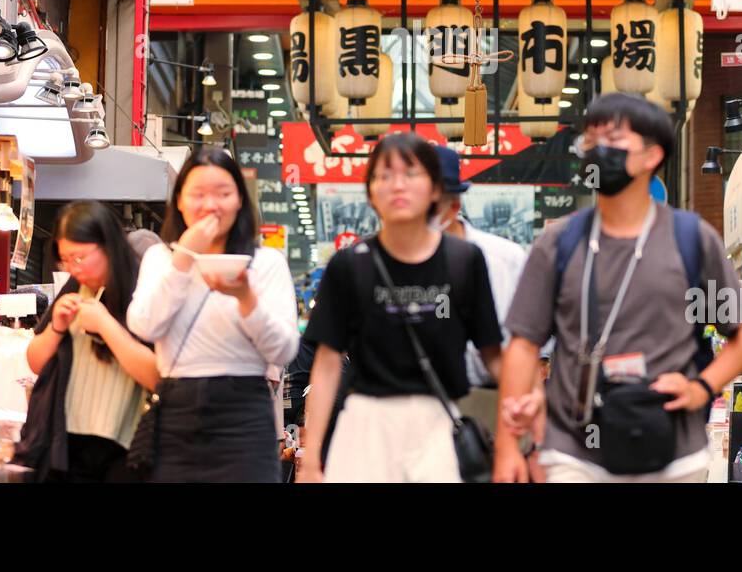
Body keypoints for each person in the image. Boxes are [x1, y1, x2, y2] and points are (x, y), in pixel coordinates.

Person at [495, 93, 742, 483]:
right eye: (590, 140)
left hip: (673, 453)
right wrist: (507, 449)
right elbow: (523, 345)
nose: (597, 150)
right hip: (573, 452)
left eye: (613, 139)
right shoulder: (559, 243)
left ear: (652, 155)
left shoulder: (689, 240)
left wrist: (702, 388)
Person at [300, 132, 504, 483]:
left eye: (411, 174)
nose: (398, 185)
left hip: (436, 423)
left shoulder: (463, 261)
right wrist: (312, 458)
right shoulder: (349, 266)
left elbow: (494, 355)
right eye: (384, 175)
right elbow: (327, 365)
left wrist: (516, 439)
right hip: (365, 424)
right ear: (370, 192)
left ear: (435, 189)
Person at [127, 147, 299, 482]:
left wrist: (246, 298)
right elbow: (144, 325)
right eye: (198, 194)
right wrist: (184, 258)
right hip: (176, 411)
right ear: (179, 200)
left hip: (245, 413)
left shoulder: (266, 263)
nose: (210, 205)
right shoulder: (161, 259)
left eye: (223, 193)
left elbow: (284, 351)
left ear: (239, 200)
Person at [17, 202, 159, 482]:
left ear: (108, 245)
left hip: (126, 447)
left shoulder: (145, 287)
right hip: (66, 441)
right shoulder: (75, 285)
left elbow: (159, 376)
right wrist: (56, 327)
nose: (72, 268)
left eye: (79, 258)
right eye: (65, 259)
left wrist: (106, 326)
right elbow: (35, 362)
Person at [432, 145, 528, 436]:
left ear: (454, 207)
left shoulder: (505, 259)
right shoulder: (390, 263)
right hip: (420, 405)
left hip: (490, 399)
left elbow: (531, 343)